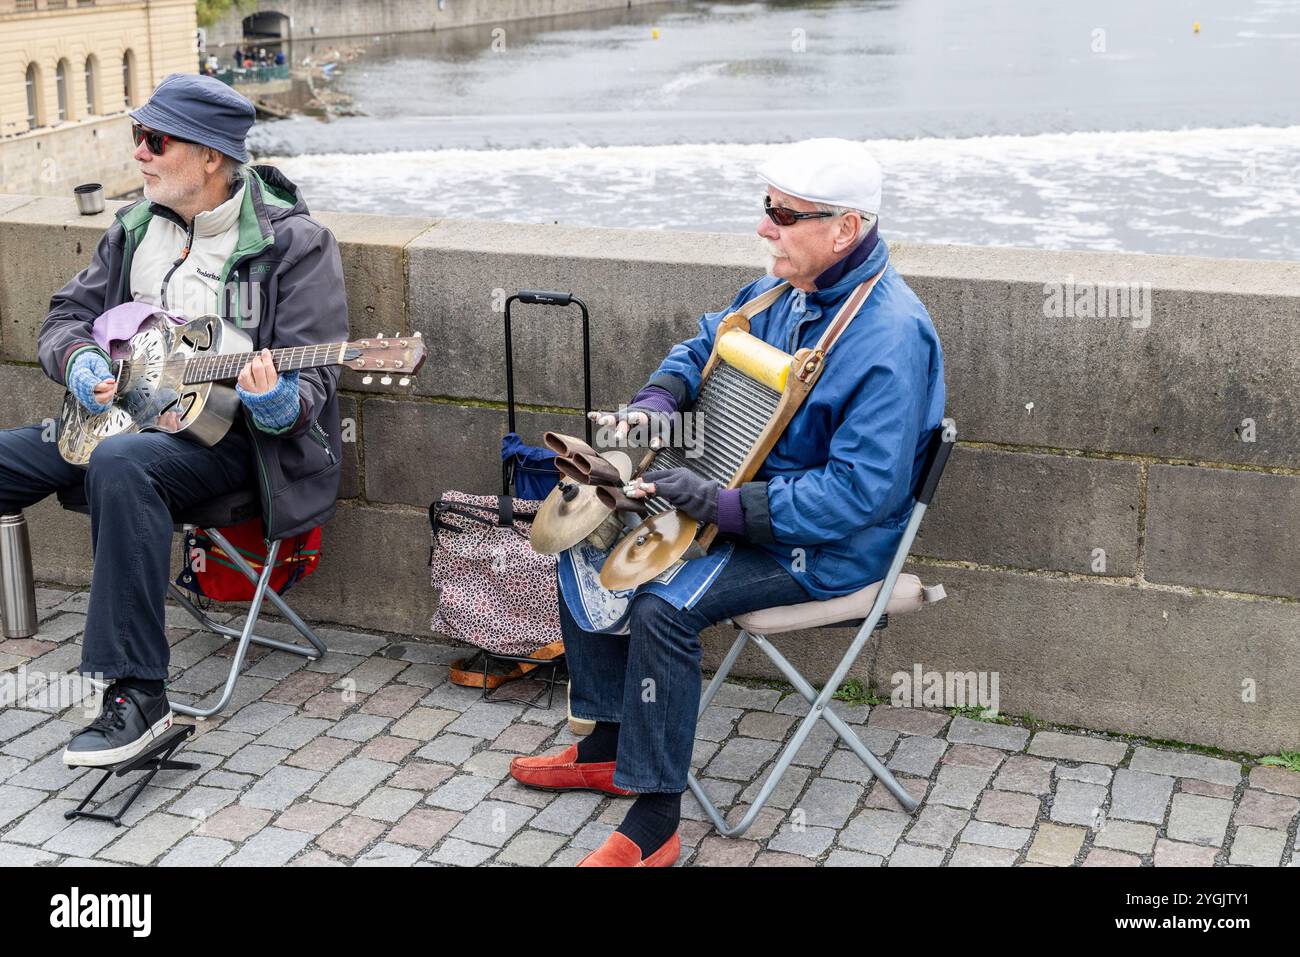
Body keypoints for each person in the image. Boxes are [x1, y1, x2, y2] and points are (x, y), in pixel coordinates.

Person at [509, 139, 946, 866]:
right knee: (582, 529)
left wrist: (720, 504)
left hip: (822, 549)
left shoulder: (890, 337)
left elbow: (859, 495)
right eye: (765, 207)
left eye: (784, 213)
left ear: (846, 229)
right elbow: (703, 346)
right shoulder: (781, 289)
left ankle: (655, 825)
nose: (764, 227)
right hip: (732, 510)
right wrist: (656, 403)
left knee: (663, 605)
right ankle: (608, 744)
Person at [0, 73, 348, 768]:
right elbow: (64, 320)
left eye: (155, 140)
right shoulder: (134, 229)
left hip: (234, 451)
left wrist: (274, 398)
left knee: (122, 465)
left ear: (211, 156)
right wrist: (77, 363)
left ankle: (139, 698)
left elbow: (313, 385)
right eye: (138, 137)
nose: (139, 153)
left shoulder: (295, 244)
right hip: (117, 426)